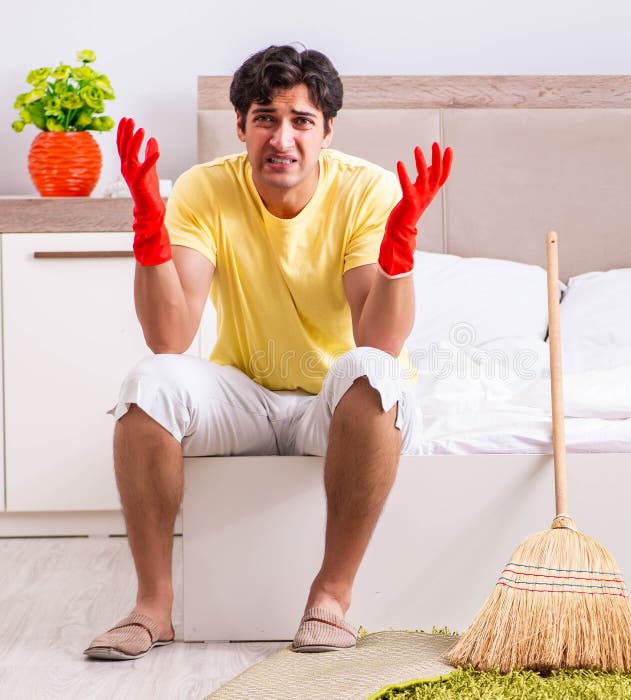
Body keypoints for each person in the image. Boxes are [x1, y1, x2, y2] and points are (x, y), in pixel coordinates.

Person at [83, 44, 452, 660]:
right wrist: (150, 224)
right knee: (150, 381)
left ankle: (330, 599)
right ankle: (151, 607)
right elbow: (170, 338)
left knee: (375, 372)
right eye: (265, 118)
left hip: (336, 409)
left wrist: (400, 251)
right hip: (248, 393)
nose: (282, 138)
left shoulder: (366, 191)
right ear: (240, 126)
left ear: (328, 131)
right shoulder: (206, 188)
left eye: (301, 121)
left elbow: (378, 341)